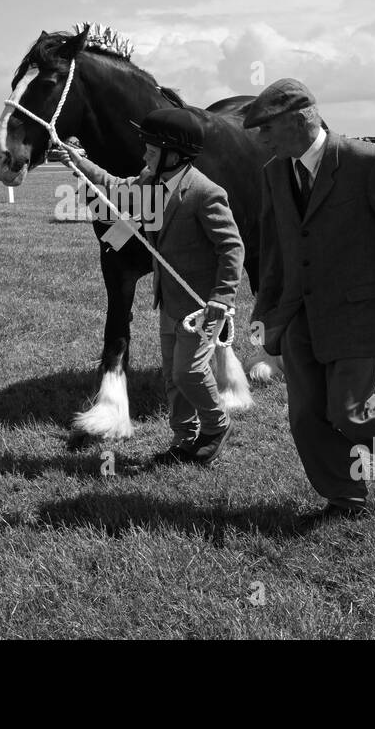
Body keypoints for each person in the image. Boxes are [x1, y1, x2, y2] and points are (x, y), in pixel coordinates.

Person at [246, 79, 375, 522]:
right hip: (299, 314)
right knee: (307, 416)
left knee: (350, 409)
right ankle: (345, 499)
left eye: (267, 127)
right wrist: (267, 310)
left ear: (301, 119)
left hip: (360, 310)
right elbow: (273, 247)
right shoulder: (274, 171)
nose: (262, 138)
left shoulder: (366, 162)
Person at [51, 108, 244, 465]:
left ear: (174, 154)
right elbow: (113, 187)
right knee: (173, 376)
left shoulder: (205, 192)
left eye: (151, 152)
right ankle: (185, 439)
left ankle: (216, 426)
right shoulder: (151, 183)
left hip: (201, 305)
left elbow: (232, 247)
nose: (145, 156)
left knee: (189, 371)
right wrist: (77, 163)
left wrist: (223, 297)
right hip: (169, 300)